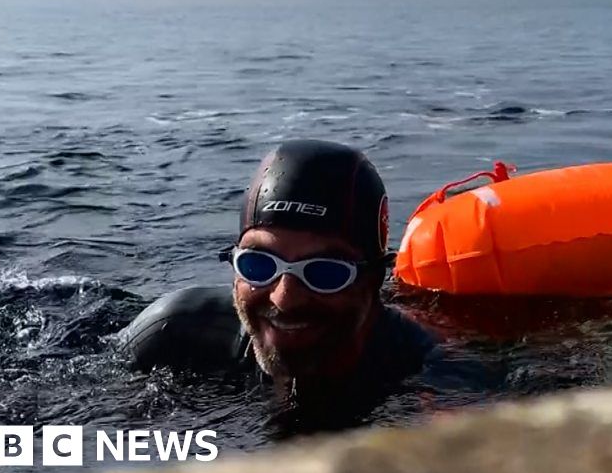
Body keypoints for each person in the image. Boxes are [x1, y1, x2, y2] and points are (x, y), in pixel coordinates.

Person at [119, 139, 437, 409]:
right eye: (259, 265)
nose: (285, 298)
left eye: (324, 273)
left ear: (372, 280)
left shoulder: (431, 378)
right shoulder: (172, 334)